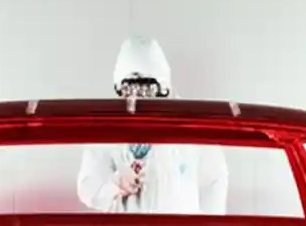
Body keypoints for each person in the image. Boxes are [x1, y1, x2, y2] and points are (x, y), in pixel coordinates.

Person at [76, 37, 228, 215]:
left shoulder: (192, 129)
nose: (139, 98)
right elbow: (88, 186)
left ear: (163, 88)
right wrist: (115, 183)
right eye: (130, 90)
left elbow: (214, 181)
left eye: (147, 88)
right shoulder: (107, 127)